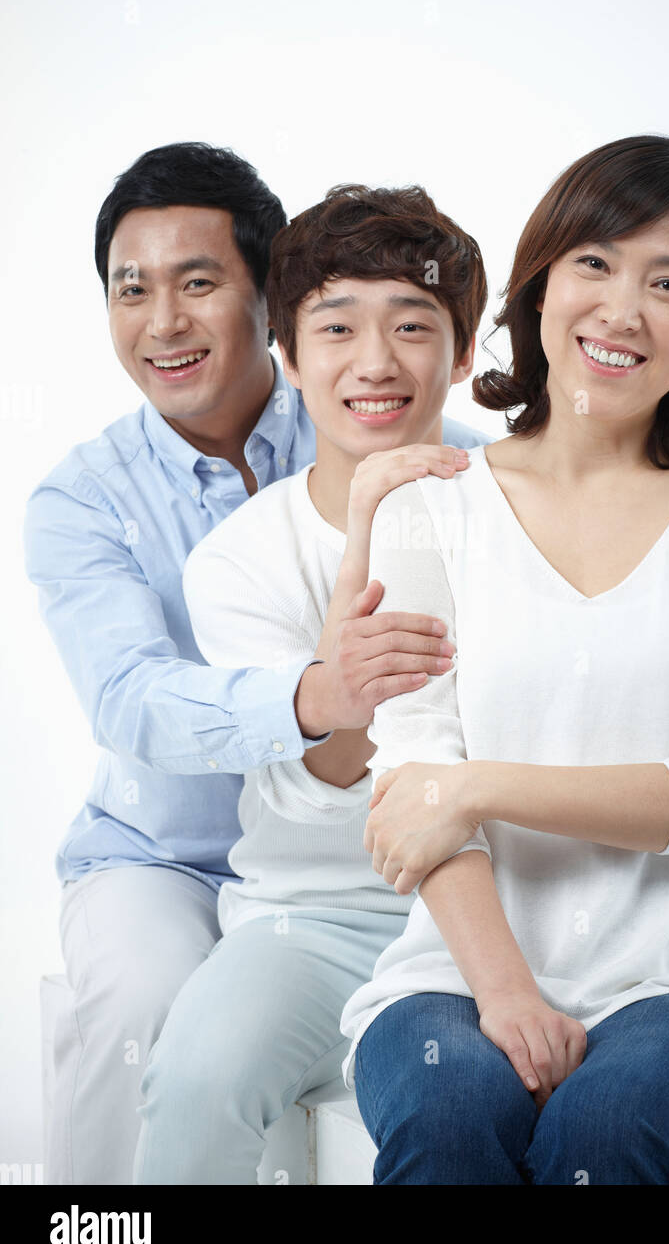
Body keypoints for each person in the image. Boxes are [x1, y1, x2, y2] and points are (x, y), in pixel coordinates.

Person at [340, 134, 669, 1185]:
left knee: (603, 1136)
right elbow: (409, 779)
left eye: (667, 283)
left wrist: (473, 787)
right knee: (449, 1116)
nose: (620, 309)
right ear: (540, 285)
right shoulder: (430, 509)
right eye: (593, 264)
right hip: (455, 975)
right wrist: (507, 992)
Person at [22, 145, 490, 1185]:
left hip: (348, 861)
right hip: (172, 852)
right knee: (155, 1011)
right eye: (129, 290)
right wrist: (315, 695)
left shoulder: (364, 416)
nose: (161, 322)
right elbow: (129, 697)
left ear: (264, 302)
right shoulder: (81, 499)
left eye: (197, 283)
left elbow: (530, 479)